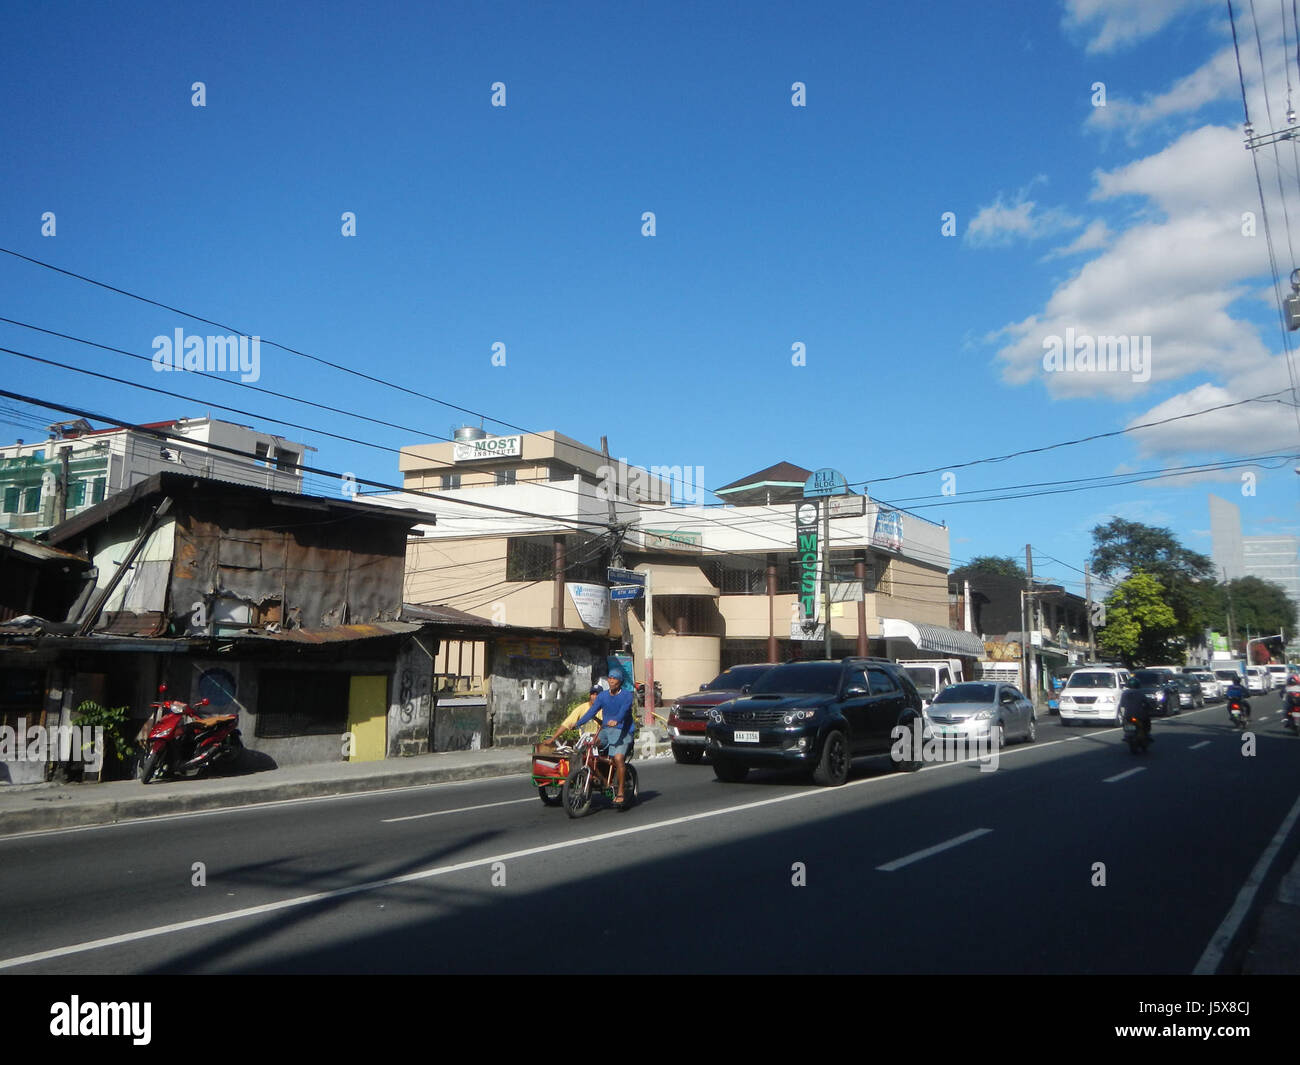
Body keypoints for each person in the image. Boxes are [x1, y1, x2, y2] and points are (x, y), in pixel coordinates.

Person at [571, 669, 637, 804]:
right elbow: (592, 711)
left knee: (618, 759)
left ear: (620, 682)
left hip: (623, 731)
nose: (611, 680)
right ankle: (598, 777)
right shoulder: (602, 696)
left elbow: (624, 711)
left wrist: (617, 720)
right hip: (606, 731)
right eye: (610, 678)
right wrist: (577, 723)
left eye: (615, 678)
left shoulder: (627, 695)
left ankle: (620, 792)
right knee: (590, 747)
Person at [1119, 677, 1154, 741]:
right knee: (1146, 721)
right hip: (1139, 715)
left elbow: (1122, 705)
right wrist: (1150, 707)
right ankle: (1146, 734)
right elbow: (1146, 703)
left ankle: (1131, 734)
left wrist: (1123, 715)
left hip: (1128, 715)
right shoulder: (1140, 693)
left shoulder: (1124, 693)